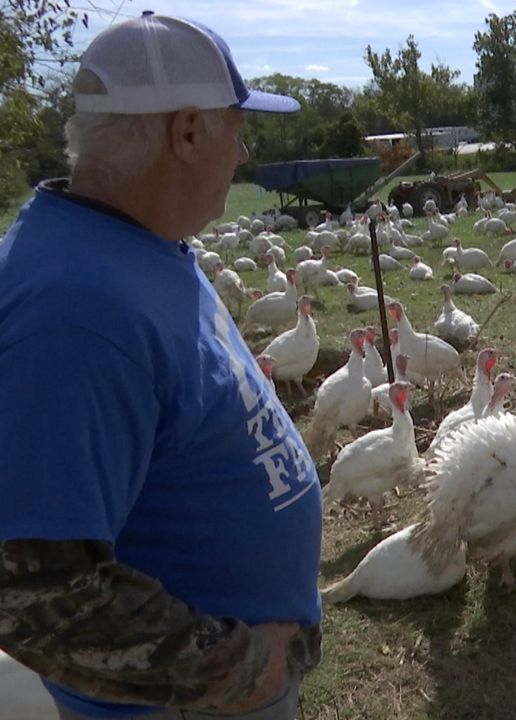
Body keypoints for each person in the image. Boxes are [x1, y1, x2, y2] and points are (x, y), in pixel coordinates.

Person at [0, 12, 322, 719]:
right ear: (186, 132)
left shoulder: (134, 244)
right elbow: (40, 595)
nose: (240, 154)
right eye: (236, 127)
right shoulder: (71, 311)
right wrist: (244, 671)